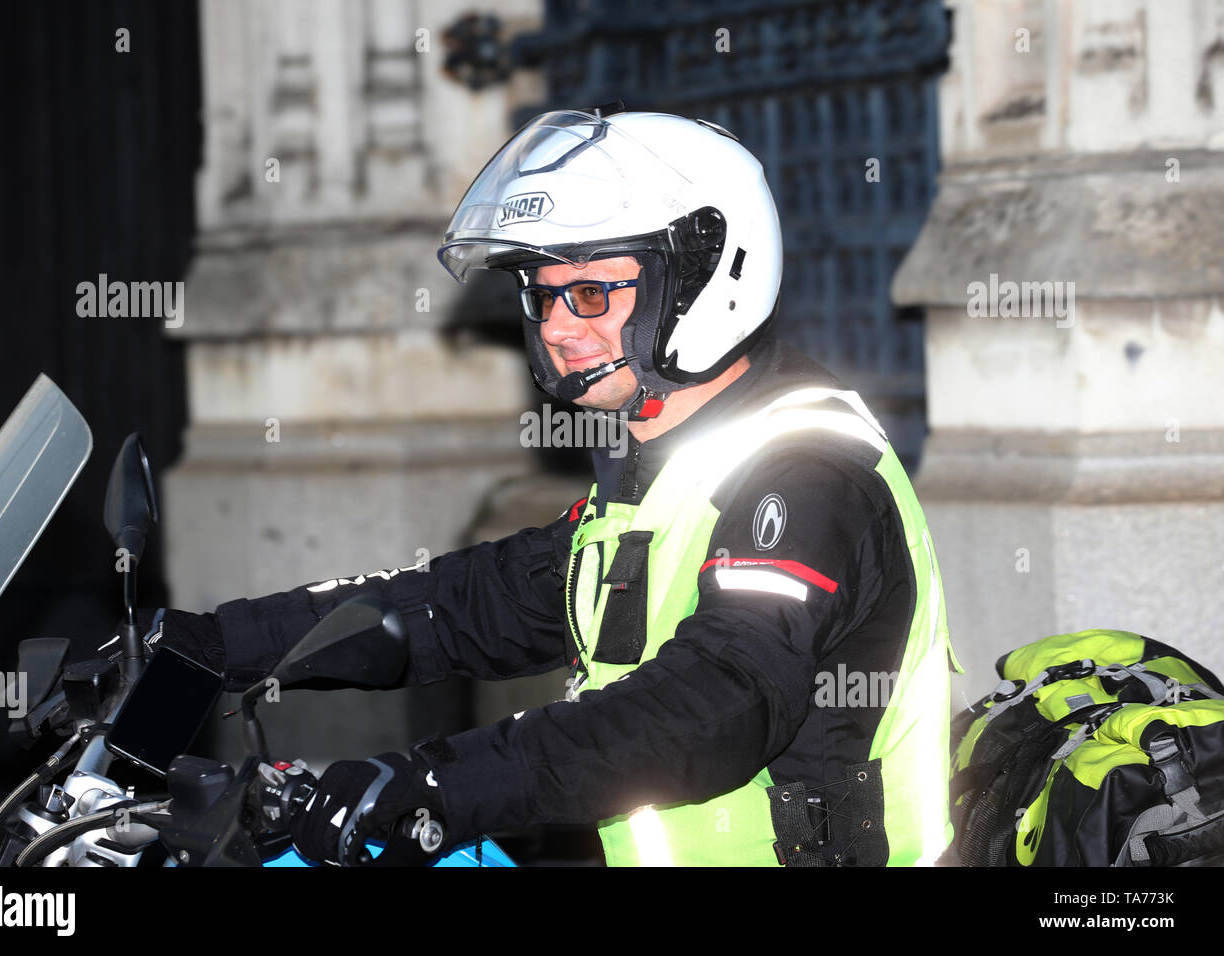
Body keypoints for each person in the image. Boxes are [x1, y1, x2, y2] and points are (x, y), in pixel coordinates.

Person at [153, 107, 958, 866]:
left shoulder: (808, 476)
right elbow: (457, 607)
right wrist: (210, 647)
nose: (558, 328)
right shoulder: (660, 483)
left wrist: (441, 783)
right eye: (542, 296)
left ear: (705, 275)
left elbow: (718, 704)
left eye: (591, 294)